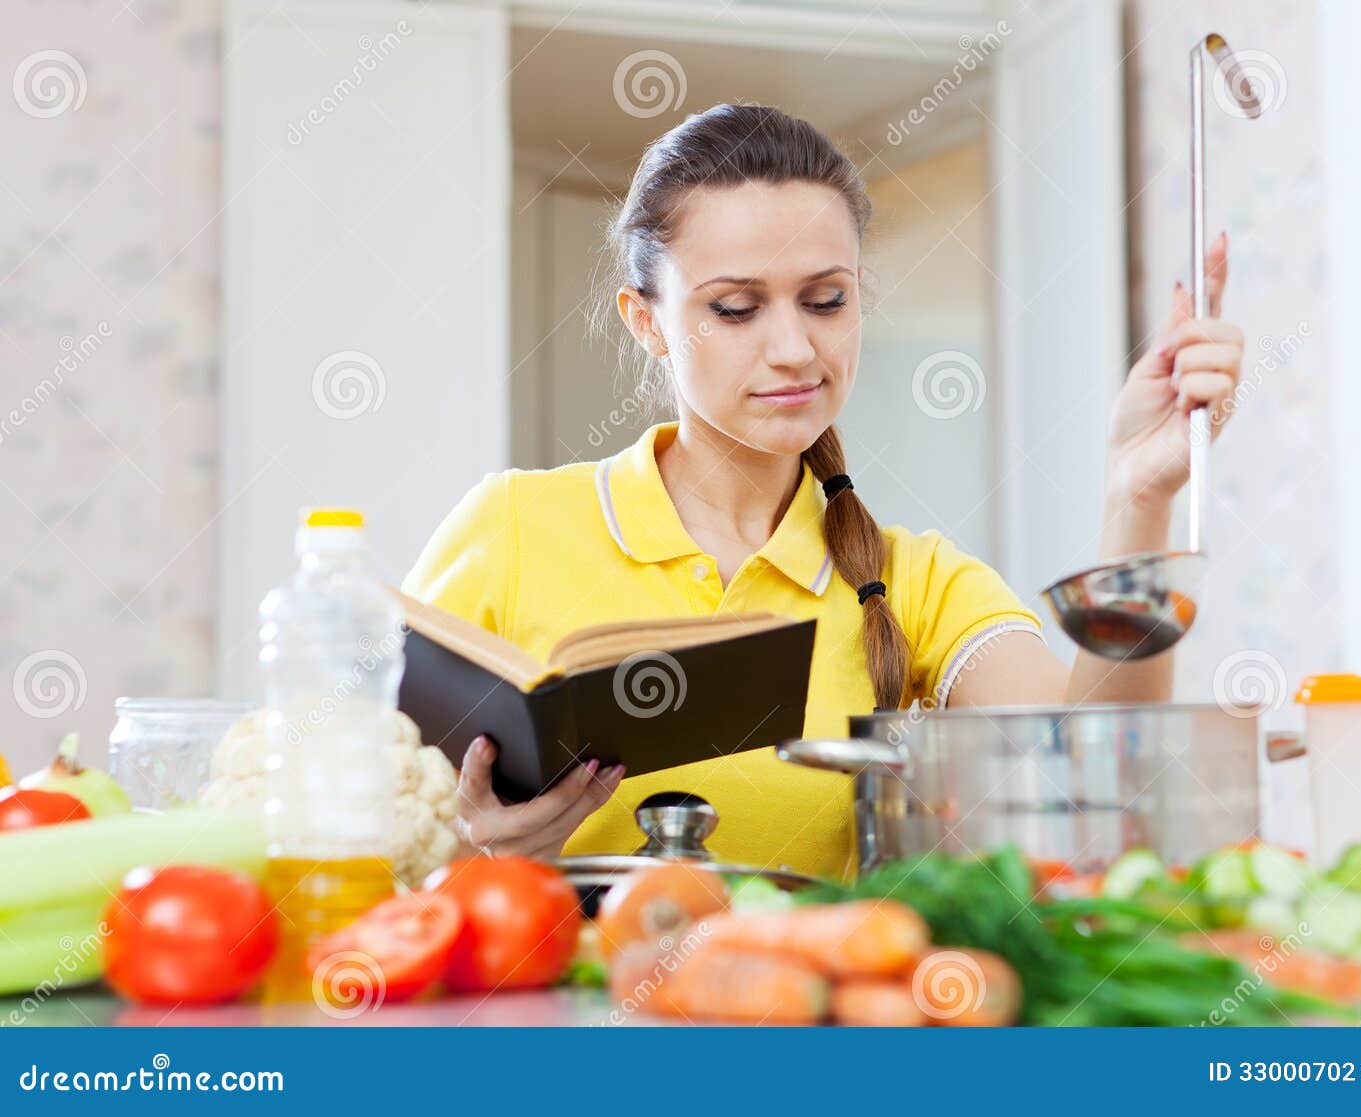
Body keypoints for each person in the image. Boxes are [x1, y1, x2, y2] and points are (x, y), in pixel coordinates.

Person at [402, 103, 1243, 881]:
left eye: (825, 300)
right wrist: (471, 850)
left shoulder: (914, 580)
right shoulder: (511, 527)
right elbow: (363, 823)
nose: (796, 349)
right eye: (736, 308)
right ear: (647, 321)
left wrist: (1138, 496)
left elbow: (1097, 769)